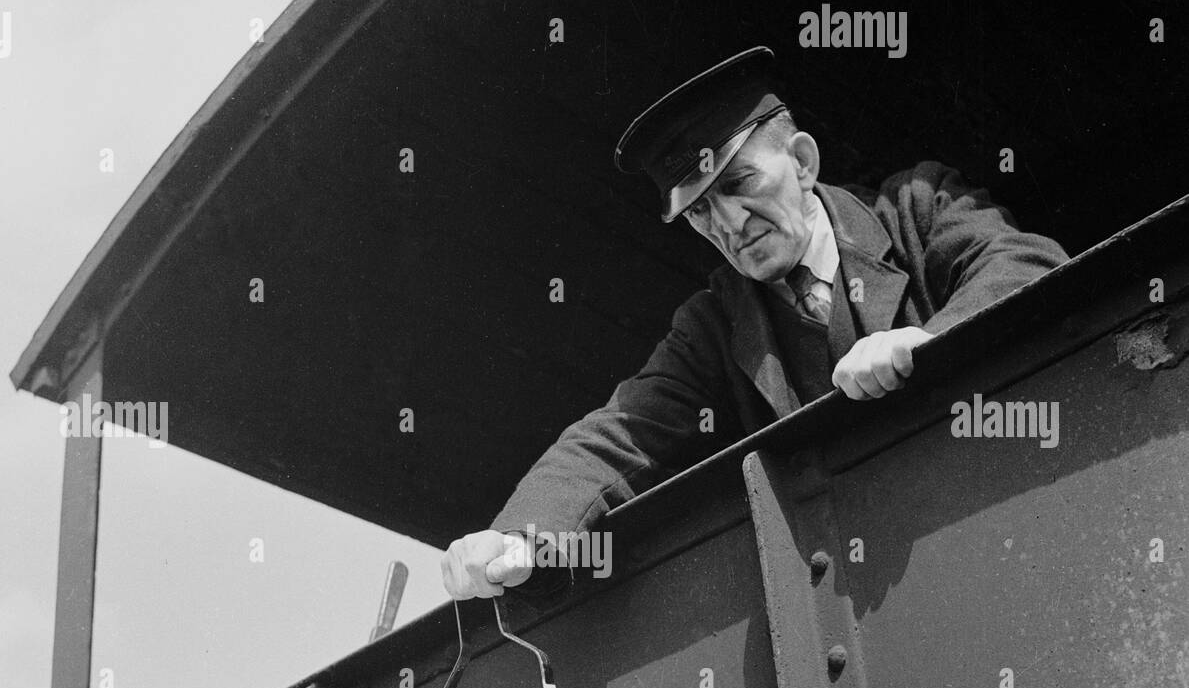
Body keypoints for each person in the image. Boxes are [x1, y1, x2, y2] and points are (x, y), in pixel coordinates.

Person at [440, 47, 1068, 602]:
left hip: (1006, 531)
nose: (731, 225)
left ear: (801, 161)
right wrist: (515, 538)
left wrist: (926, 340)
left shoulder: (917, 204)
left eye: (740, 183)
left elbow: (1027, 262)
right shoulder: (713, 323)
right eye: (701, 212)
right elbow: (621, 433)